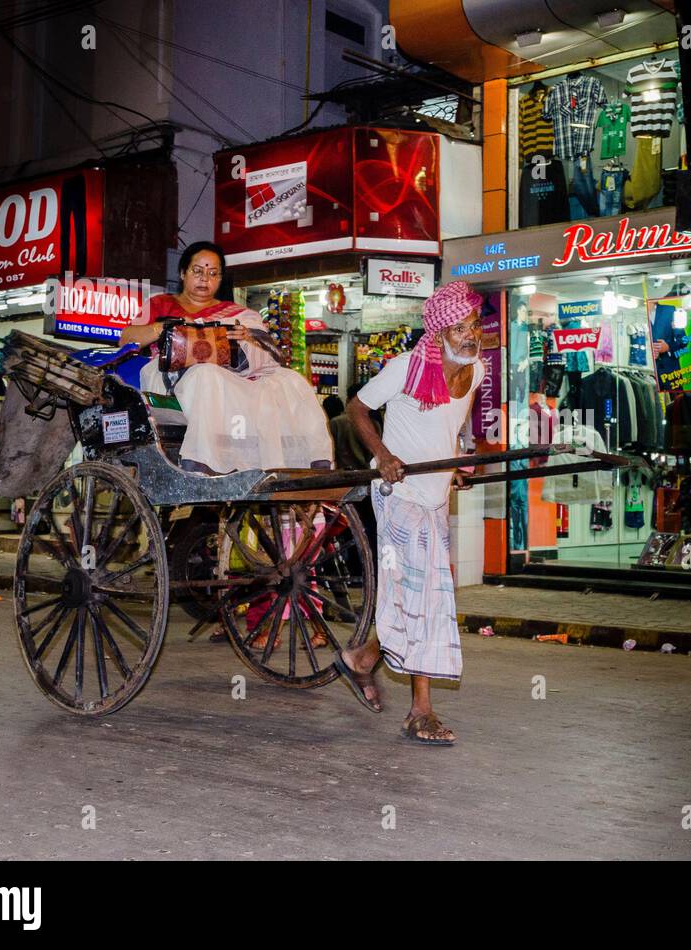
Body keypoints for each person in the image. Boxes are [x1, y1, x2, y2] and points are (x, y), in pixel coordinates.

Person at [334, 280, 485, 746]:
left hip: (436, 496)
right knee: (428, 597)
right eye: (459, 327)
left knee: (418, 596)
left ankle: (361, 658)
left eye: (474, 325)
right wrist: (381, 454)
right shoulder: (405, 368)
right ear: (439, 331)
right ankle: (420, 711)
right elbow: (356, 407)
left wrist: (457, 462)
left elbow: (454, 428)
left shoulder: (476, 370)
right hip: (398, 497)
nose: (469, 335)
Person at [120, 241, 333, 474]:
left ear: (220, 278)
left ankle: (313, 460)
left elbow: (269, 355)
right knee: (206, 373)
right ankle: (202, 461)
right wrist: (164, 327)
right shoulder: (160, 304)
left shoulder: (237, 313)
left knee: (290, 380)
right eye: (198, 271)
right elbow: (126, 340)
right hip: (170, 377)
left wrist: (247, 338)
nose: (205, 279)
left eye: (213, 273)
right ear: (183, 273)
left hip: (231, 378)